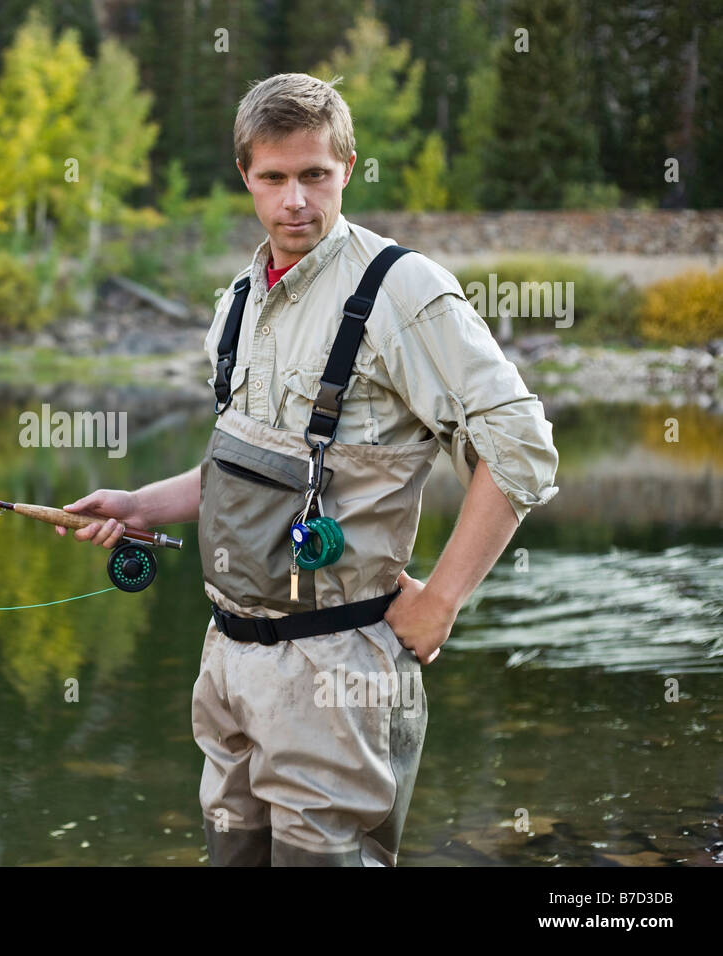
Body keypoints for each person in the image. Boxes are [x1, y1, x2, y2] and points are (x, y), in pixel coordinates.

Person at [57, 73, 560, 866]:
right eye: (275, 178)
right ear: (246, 179)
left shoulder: (402, 290)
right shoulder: (236, 303)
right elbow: (248, 473)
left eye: (315, 175)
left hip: (341, 667)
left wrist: (444, 601)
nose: (296, 200)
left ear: (348, 169)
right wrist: (139, 503)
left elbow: (521, 447)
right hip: (226, 661)